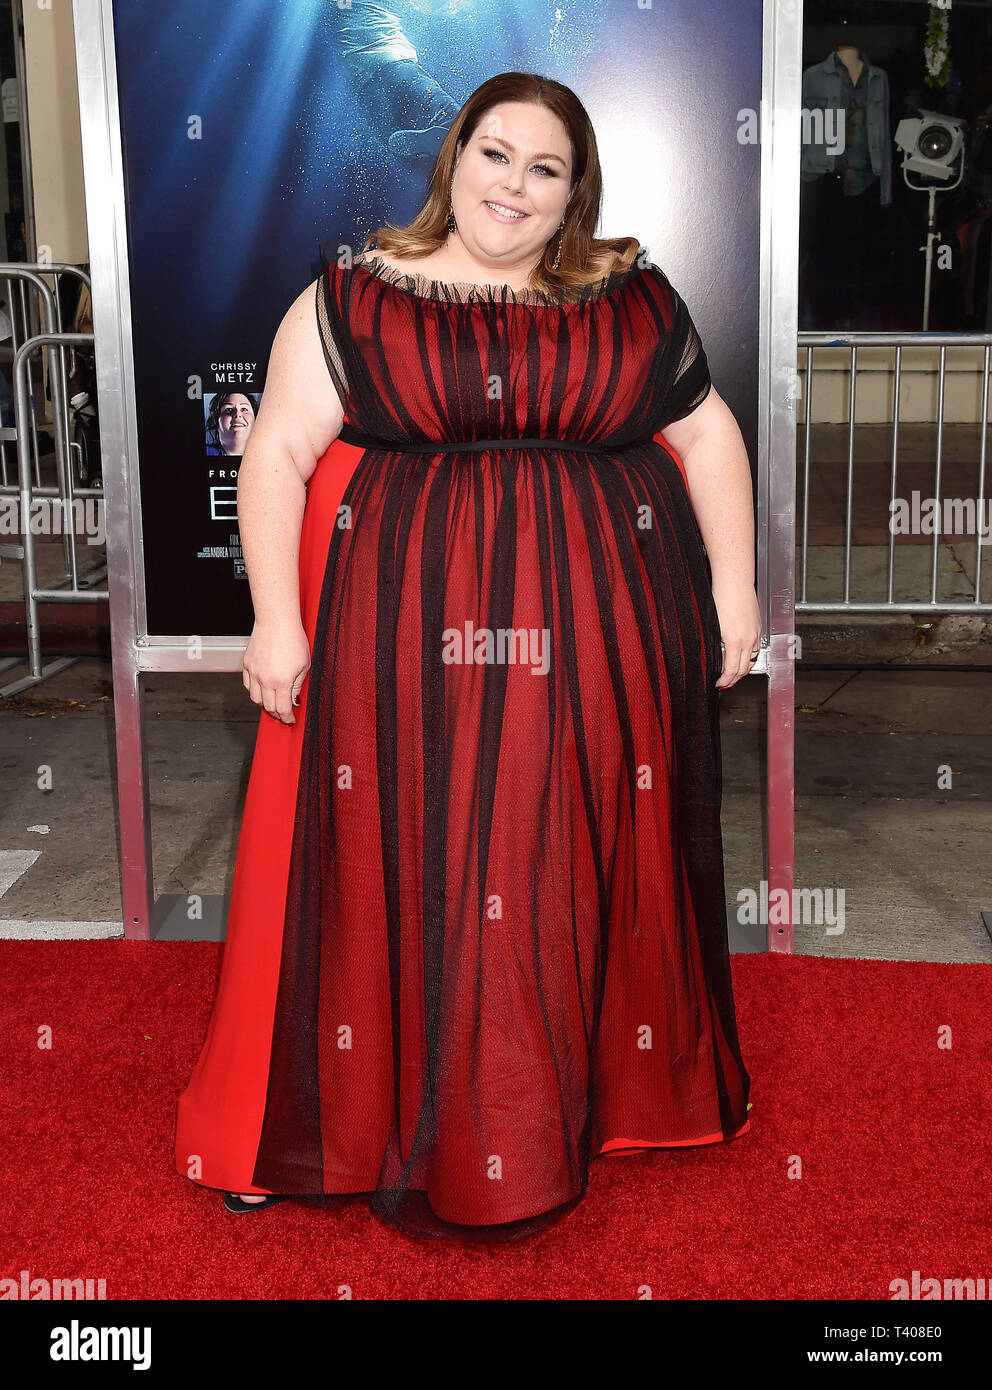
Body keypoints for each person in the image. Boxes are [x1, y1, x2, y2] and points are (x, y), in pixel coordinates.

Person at [175, 70, 761, 1242]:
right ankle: (321, 1130)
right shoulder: (355, 295)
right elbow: (278, 454)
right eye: (496, 155)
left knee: (555, 868)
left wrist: (735, 589)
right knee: (387, 866)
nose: (514, 186)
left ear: (572, 192)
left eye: (544, 169)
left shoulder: (631, 297)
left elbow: (705, 433)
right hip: (393, 657)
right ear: (455, 160)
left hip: (595, 656)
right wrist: (276, 621)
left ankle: (557, 1109)